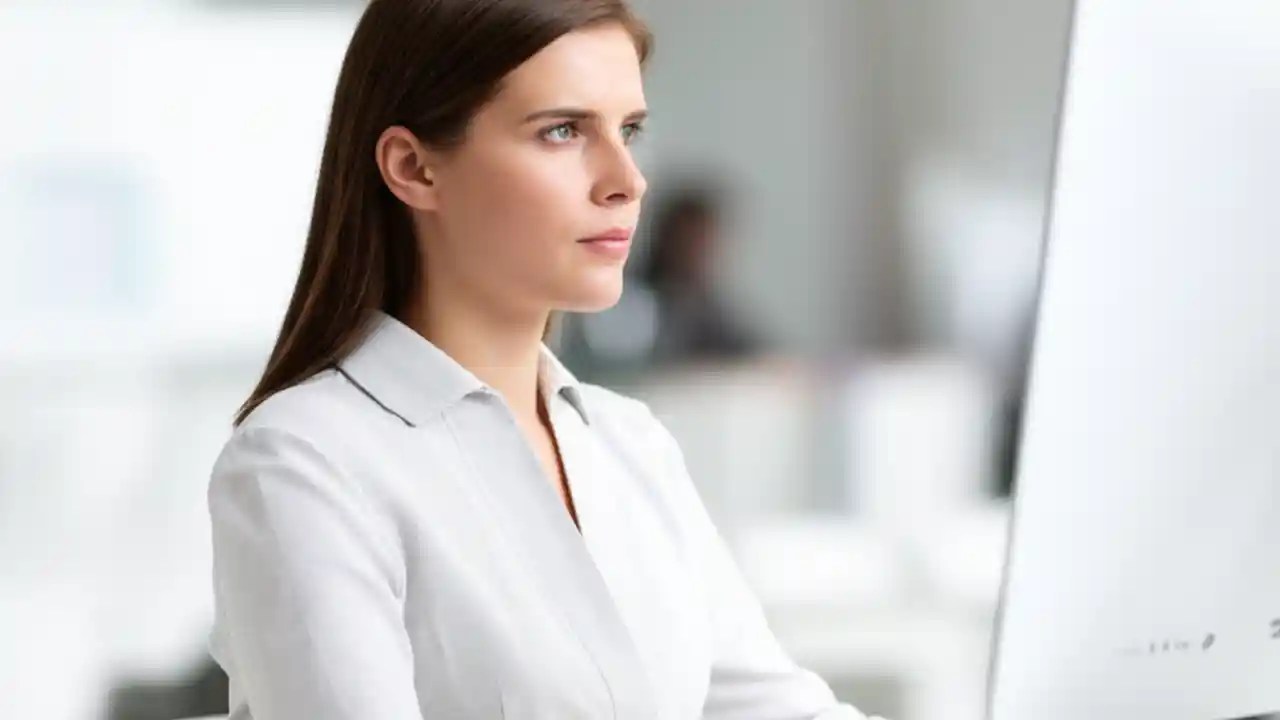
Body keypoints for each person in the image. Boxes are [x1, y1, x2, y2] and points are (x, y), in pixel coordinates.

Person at [206, 1, 884, 718]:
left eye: (629, 130)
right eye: (563, 131)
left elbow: (769, 707)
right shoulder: (307, 461)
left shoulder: (631, 444)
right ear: (414, 167)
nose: (627, 180)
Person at [639, 183, 764, 363]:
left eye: (704, 240)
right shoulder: (635, 300)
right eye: (688, 239)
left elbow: (750, 347)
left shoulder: (705, 303)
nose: (697, 249)